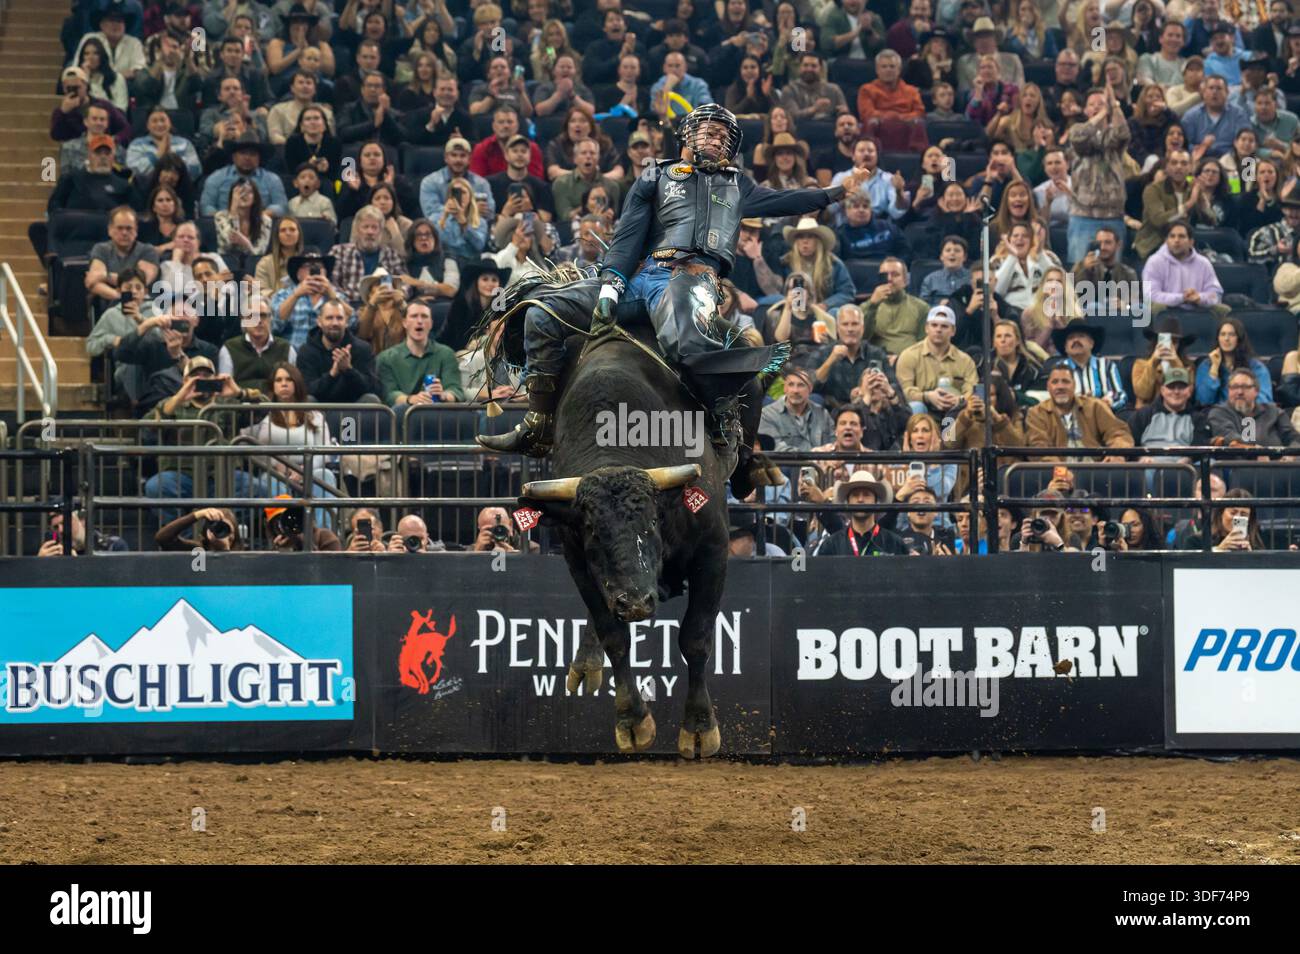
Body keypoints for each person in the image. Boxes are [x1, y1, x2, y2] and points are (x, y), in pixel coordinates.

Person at [479, 103, 872, 457]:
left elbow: (789, 200)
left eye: (723, 135)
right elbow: (628, 235)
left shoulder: (738, 185)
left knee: (682, 335)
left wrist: (838, 191)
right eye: (709, 130)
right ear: (687, 135)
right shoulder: (656, 174)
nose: (716, 138)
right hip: (638, 277)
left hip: (693, 279)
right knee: (542, 313)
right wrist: (611, 287)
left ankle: (723, 418)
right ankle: (539, 424)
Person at [144, 356, 258, 526]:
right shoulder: (172, 404)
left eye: (207, 375)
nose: (202, 379)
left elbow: (263, 410)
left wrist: (239, 393)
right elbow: (147, 426)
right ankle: (186, 538)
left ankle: (222, 529)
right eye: (196, 376)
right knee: (156, 487)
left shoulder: (228, 404)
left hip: (223, 474)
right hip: (182, 475)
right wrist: (180, 397)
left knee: (257, 489)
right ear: (185, 380)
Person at [242, 363, 342, 527]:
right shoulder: (263, 415)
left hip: (310, 470)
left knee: (326, 475)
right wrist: (276, 464)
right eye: (279, 380)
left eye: (289, 379)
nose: (284, 383)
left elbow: (323, 450)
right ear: (272, 386)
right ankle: (285, 533)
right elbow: (250, 445)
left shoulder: (314, 415)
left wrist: (304, 470)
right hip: (275, 472)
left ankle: (324, 535)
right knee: (274, 481)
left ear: (297, 383)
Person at [1066, 86, 1132, 264]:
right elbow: (1079, 137)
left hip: (1113, 216)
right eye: (1092, 104)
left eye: (1101, 103)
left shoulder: (1113, 136)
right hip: (1083, 215)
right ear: (1085, 109)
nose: (1096, 107)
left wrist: (1115, 106)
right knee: (1079, 272)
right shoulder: (1078, 130)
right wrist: (1103, 112)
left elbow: (1123, 133)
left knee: (1110, 276)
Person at [1025, 362, 1136, 460]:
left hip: (1094, 471)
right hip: (1056, 474)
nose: (1060, 387)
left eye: (1065, 381)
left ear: (1074, 385)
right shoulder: (1036, 413)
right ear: (1048, 387)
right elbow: (1038, 449)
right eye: (1055, 382)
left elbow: (1119, 433)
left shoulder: (1095, 406)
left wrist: (1116, 454)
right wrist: (1061, 471)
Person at [375, 298, 465, 410]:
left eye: (424, 316)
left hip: (438, 414)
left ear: (431, 324)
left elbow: (456, 390)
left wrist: (444, 395)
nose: (419, 321)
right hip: (402, 414)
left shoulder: (446, 354)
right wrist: (410, 399)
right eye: (414, 316)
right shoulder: (386, 358)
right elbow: (388, 394)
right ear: (404, 323)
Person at [894, 304, 977, 417]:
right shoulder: (909, 356)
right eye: (934, 325)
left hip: (955, 412)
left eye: (944, 326)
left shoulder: (965, 361)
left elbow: (972, 391)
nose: (938, 330)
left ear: (953, 331)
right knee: (916, 407)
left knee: (973, 409)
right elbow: (903, 392)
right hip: (922, 413)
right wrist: (927, 397)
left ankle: (951, 434)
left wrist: (959, 400)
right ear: (926, 328)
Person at [1141, 220, 1228, 315]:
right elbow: (1150, 296)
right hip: (1167, 310)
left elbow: (1216, 294)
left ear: (1191, 242)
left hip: (1197, 309)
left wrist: (1199, 297)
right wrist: (1182, 298)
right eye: (1172, 236)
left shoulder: (1203, 263)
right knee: (1156, 307)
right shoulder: (1154, 262)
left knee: (1223, 309)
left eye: (1181, 236)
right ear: (1166, 241)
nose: (1176, 240)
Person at [329, 205, 408, 308]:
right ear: (357, 230)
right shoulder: (339, 252)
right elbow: (331, 283)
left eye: (374, 227)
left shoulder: (392, 255)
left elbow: (406, 284)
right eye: (365, 227)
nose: (370, 232)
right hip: (348, 306)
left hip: (384, 307)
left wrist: (395, 295)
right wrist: (344, 303)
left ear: (381, 231)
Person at [812, 471, 906, 555]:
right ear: (848, 501)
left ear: (876, 501)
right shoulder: (831, 545)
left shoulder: (895, 543)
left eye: (866, 494)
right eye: (855, 495)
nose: (860, 500)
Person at [85, 206, 161, 310]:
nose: (124, 233)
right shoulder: (101, 249)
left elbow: (140, 282)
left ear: (136, 230)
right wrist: (121, 297)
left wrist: (106, 276)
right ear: (110, 230)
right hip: (111, 308)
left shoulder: (148, 251)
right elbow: (93, 283)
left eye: (129, 228)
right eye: (119, 228)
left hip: (144, 307)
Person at [272, 247, 349, 350]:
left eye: (318, 266)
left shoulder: (336, 295)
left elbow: (352, 323)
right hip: (292, 356)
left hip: (328, 356)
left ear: (325, 272)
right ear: (298, 274)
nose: (313, 270)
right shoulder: (284, 295)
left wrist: (332, 295)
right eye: (307, 266)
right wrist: (296, 295)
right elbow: (275, 326)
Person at [217, 296, 295, 395]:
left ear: (271, 318)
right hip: (240, 406)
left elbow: (295, 385)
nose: (258, 321)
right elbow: (226, 388)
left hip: (277, 406)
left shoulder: (286, 348)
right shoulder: (229, 348)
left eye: (263, 315)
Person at [200, 132, 288, 217]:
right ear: (234, 156)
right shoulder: (217, 177)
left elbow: (282, 206)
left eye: (252, 154)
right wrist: (224, 219)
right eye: (243, 153)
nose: (247, 158)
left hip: (261, 225)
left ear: (259, 158)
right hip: (224, 226)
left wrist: (263, 216)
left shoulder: (272, 179)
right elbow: (206, 207)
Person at [1208, 366, 1299, 446]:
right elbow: (1230, 437)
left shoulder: (1274, 412)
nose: (1240, 392)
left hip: (1276, 464)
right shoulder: (1219, 413)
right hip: (1234, 464)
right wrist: (1257, 452)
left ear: (1257, 391)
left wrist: (1290, 455)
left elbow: (1294, 438)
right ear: (1228, 390)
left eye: (1245, 387)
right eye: (1235, 387)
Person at [1050, 319, 1128, 411]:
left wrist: (1108, 402)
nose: (1075, 340)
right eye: (1071, 338)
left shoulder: (1106, 365)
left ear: (1091, 343)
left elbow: (1120, 394)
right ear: (1065, 347)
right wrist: (1078, 402)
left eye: (1081, 336)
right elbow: (1053, 399)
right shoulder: (1059, 369)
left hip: (1104, 416)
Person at [1129, 365, 1212, 450]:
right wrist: (1140, 458)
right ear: (1162, 390)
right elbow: (1130, 446)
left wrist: (1188, 460)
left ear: (1190, 390)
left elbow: (1199, 452)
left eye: (1181, 387)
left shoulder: (1199, 419)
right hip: (1148, 462)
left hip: (1184, 462)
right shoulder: (1142, 415)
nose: (1176, 392)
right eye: (1171, 387)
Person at [1197, 317, 1274, 405]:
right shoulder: (1206, 366)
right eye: (1222, 334)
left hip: (1249, 415)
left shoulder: (1256, 367)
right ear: (1218, 338)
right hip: (1218, 416)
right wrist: (1214, 368)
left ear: (1239, 339)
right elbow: (1203, 400)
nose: (1226, 338)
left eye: (1232, 334)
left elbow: (1264, 400)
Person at [758, 366, 835, 452]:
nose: (795, 390)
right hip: (786, 464)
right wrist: (812, 454)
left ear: (810, 388)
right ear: (785, 388)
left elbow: (833, 443)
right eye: (791, 385)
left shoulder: (822, 414)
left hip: (821, 464)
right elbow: (774, 448)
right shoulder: (767, 415)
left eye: (801, 385)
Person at [863, 257, 929, 355]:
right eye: (884, 275)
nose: (889, 279)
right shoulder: (867, 307)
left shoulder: (922, 308)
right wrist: (872, 306)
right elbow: (862, 338)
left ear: (905, 280)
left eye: (895, 275)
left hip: (910, 361)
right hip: (876, 361)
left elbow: (925, 344)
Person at [1180, 74, 1251, 160]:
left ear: (1227, 93)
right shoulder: (1191, 116)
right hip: (1199, 161)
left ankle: (1248, 174)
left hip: (1233, 161)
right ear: (1204, 93)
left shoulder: (1239, 114)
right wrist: (1202, 146)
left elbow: (1247, 142)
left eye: (1219, 88)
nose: (1214, 92)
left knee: (1249, 159)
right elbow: (1184, 145)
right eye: (1211, 88)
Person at [1132, 316, 1196, 406]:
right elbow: (1143, 394)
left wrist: (1176, 363)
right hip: (1147, 414)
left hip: (1178, 413)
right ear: (1156, 342)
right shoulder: (1141, 364)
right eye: (1165, 341)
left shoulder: (1188, 367)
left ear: (1179, 345)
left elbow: (1188, 394)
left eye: (1174, 342)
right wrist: (1153, 362)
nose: (1169, 346)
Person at [36, 506, 129, 556]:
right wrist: (40, 565)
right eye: (56, 527)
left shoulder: (113, 546)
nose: (60, 530)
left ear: (82, 521)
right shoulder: (53, 553)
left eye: (66, 523)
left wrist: (78, 565)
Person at [155, 507, 246, 552]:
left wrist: (225, 550)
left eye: (228, 529)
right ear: (208, 531)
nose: (226, 534)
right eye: (219, 528)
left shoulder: (240, 555)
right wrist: (198, 514)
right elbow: (162, 538)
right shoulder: (197, 550)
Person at [919, 237, 972, 306]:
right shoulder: (930, 279)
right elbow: (922, 306)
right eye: (948, 250)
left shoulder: (972, 278)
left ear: (964, 257)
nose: (952, 253)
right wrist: (938, 307)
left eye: (957, 250)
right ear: (941, 256)